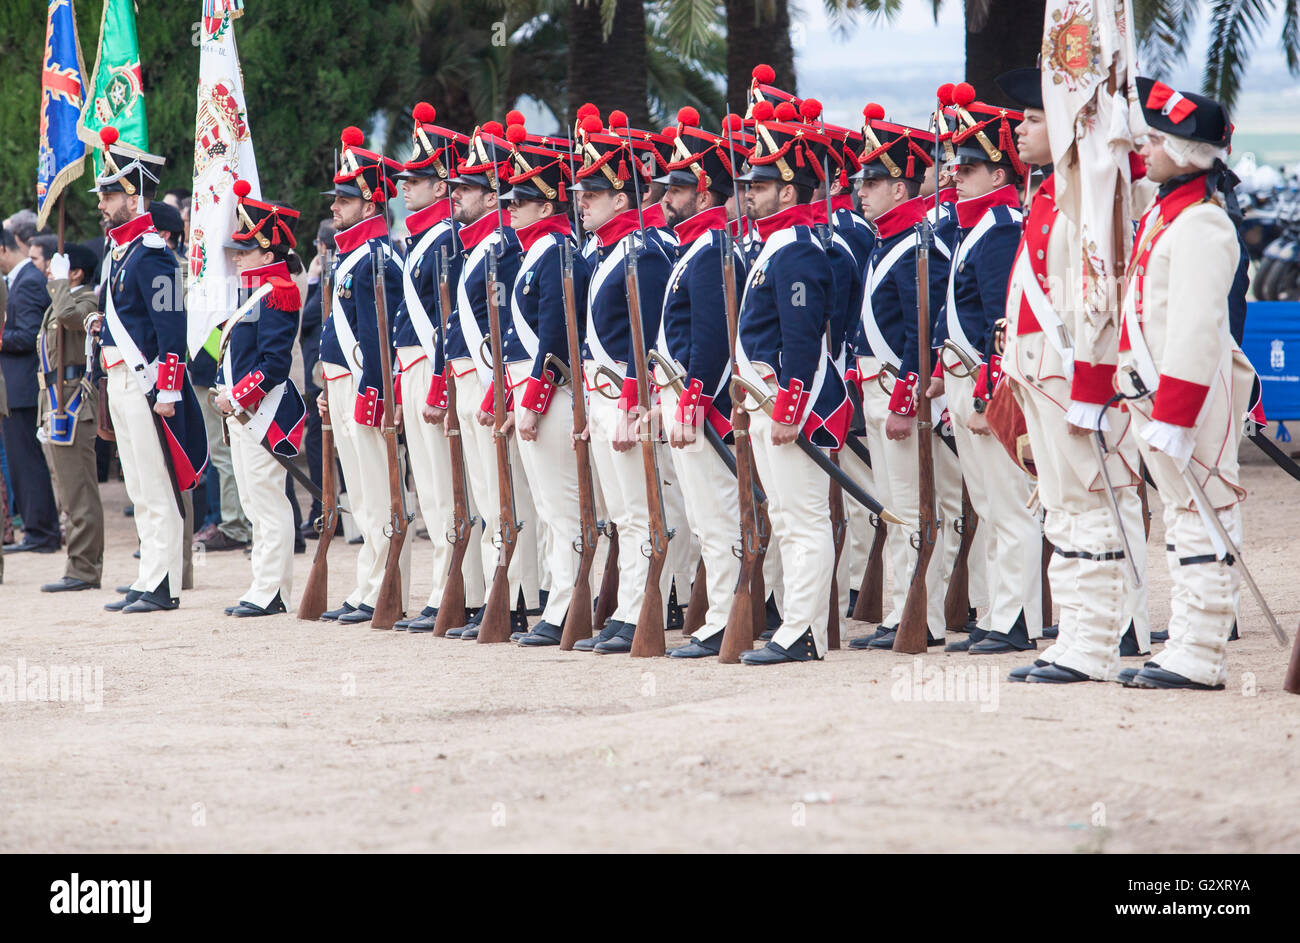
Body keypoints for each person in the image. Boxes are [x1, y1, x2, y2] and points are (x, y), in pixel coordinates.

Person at [993, 68, 1150, 684]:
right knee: (1061, 510)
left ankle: (1093, 645)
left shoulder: (1089, 194)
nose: (1019, 130)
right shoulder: (1053, 191)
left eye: (1032, 119)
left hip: (1071, 373)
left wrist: (1092, 382)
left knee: (1089, 507)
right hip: (1040, 373)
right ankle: (1075, 637)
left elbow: (1098, 295)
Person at [1117, 79, 1252, 691]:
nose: (1145, 145)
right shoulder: (1170, 216)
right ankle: (1187, 646)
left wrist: (1172, 415)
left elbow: (1197, 330)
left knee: (1203, 518)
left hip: (1188, 399)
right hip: (1166, 397)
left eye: (1157, 138)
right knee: (1182, 518)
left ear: (1186, 151)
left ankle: (1200, 654)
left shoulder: (1202, 224)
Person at [732, 98, 851, 665]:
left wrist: (787, 408)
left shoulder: (797, 249)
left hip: (793, 405)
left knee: (803, 518)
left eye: (759, 185)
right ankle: (796, 625)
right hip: (771, 401)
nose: (749, 193)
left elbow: (802, 340)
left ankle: (804, 631)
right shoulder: (777, 245)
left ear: (789, 191)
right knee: (786, 517)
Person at [933, 88, 1044, 654]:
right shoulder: (975, 223)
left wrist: (987, 397)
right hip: (961, 380)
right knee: (988, 506)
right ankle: (1000, 612)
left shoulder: (1000, 226)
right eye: (955, 163)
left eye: (969, 165)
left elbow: (1002, 322)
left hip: (983, 383)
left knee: (1008, 505)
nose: (956, 173)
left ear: (999, 171)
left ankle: (1016, 618)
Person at [569, 110, 680, 655]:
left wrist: (634, 404)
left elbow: (652, 337)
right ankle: (628, 609)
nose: (581, 201)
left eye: (592, 194)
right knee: (622, 514)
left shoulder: (646, 251)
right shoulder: (611, 250)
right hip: (602, 393)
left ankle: (641, 611)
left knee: (640, 511)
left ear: (621, 198)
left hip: (627, 398)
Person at [89, 128, 208, 612]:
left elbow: (172, 329)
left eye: (110, 193)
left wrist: (170, 389)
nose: (102, 202)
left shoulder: (155, 253)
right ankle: (147, 576)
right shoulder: (119, 252)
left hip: (146, 385)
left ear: (134, 195)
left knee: (157, 485)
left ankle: (164, 584)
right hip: (119, 380)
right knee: (137, 484)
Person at [848, 110, 953, 650]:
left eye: (871, 182)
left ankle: (923, 616)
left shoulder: (917, 244)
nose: (860, 192)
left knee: (912, 509)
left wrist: (905, 400)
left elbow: (922, 334)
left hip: (896, 393)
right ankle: (899, 612)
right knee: (894, 509)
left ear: (899, 185)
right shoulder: (885, 240)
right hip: (875, 389)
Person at [653, 108, 746, 658]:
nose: (668, 197)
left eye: (680, 188)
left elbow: (711, 340)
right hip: (689, 400)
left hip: (700, 402)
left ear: (705, 193)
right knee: (704, 514)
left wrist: (692, 403)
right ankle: (719, 616)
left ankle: (724, 619)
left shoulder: (710, 250)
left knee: (715, 515)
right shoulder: (696, 247)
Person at [441, 120, 537, 640]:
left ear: (495, 192)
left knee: (506, 493)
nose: (457, 195)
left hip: (489, 377)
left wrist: (496, 385)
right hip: (470, 376)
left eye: (468, 188)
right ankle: (496, 598)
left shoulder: (501, 246)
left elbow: (504, 329)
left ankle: (515, 596)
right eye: (455, 187)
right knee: (485, 493)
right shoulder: (478, 244)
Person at [389, 102, 483, 632]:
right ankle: (449, 587)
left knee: (450, 489)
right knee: (430, 487)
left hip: (434, 364)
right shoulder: (426, 236)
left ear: (444, 184)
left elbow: (448, 318)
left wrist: (439, 380)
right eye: (407, 178)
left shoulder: (446, 238)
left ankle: (457, 590)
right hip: (414, 364)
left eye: (420, 179)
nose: (407, 186)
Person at [497, 117, 591, 646]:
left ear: (545, 206)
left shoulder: (554, 252)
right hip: (533, 392)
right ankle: (560, 603)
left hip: (549, 394)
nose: (511, 210)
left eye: (520, 202)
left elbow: (555, 334)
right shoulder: (537, 250)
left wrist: (532, 400)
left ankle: (564, 608)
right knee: (551, 507)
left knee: (562, 508)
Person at [317, 126, 407, 625]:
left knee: (377, 491)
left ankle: (382, 588)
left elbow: (379, 336)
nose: (336, 207)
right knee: (360, 491)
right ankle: (366, 584)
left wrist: (373, 390)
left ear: (370, 206)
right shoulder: (353, 254)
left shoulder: (377, 257)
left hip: (364, 384)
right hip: (344, 382)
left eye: (346, 200)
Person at [212, 183, 308, 616]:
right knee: (254, 503)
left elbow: (273, 365)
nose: (236, 256)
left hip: (261, 412)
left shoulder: (278, 294)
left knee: (267, 502)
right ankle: (263, 585)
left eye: (246, 249)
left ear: (268, 255)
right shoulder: (257, 294)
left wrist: (238, 398)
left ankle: (272, 591)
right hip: (243, 410)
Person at [37, 242, 106, 592]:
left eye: (58, 267)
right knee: (67, 491)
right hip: (55, 401)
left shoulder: (87, 299)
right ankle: (79, 564)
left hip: (74, 404)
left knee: (79, 491)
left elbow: (69, 319)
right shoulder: (63, 297)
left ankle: (84, 569)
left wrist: (60, 284)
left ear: (75, 273)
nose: (50, 271)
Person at [1, 224, 61, 554]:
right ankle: (39, 530)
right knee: (24, 462)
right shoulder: (23, 280)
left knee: (27, 463)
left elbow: (29, 335)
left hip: (23, 386)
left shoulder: (26, 283)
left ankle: (41, 532)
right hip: (19, 386)